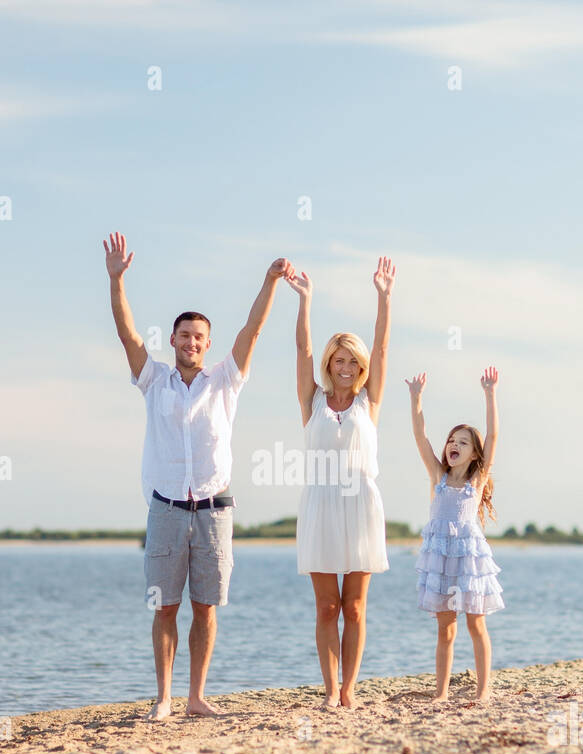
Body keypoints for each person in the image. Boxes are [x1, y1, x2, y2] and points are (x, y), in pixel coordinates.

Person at [104, 231, 293, 719]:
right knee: (165, 607)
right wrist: (116, 280)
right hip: (166, 508)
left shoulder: (225, 381)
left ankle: (195, 698)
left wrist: (270, 281)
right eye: (184, 335)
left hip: (214, 511)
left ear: (208, 345)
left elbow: (252, 329)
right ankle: (164, 699)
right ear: (173, 340)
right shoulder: (154, 379)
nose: (191, 343)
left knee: (206, 607)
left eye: (199, 337)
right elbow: (126, 334)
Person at [284, 258, 395, 708]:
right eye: (339, 359)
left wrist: (384, 299)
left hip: (361, 504)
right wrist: (305, 302)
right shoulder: (312, 400)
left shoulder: (370, 401)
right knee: (327, 607)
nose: (346, 367)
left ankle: (350, 689)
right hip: (321, 505)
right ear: (330, 362)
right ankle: (331, 692)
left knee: (355, 608)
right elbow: (301, 351)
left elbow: (384, 349)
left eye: (353, 360)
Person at [405, 366, 503, 703]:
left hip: (469, 559)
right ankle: (442, 693)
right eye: (451, 440)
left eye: (462, 442)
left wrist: (490, 395)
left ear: (474, 454)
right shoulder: (438, 476)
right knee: (445, 629)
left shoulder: (475, 481)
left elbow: (492, 437)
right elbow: (421, 436)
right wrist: (416, 399)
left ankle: (483, 690)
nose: (453, 445)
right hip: (441, 560)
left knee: (477, 625)